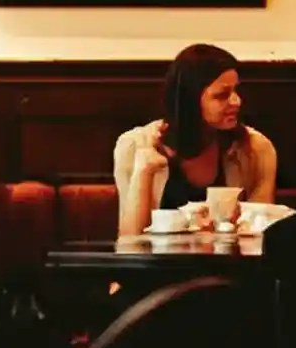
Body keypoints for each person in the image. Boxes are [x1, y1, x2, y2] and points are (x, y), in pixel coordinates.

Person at [113, 44, 278, 236]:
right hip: (159, 264)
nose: (236, 102)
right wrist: (144, 170)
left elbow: (260, 237)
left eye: (236, 91)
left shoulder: (256, 149)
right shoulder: (134, 146)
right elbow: (129, 241)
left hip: (228, 263)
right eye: (222, 95)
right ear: (190, 100)